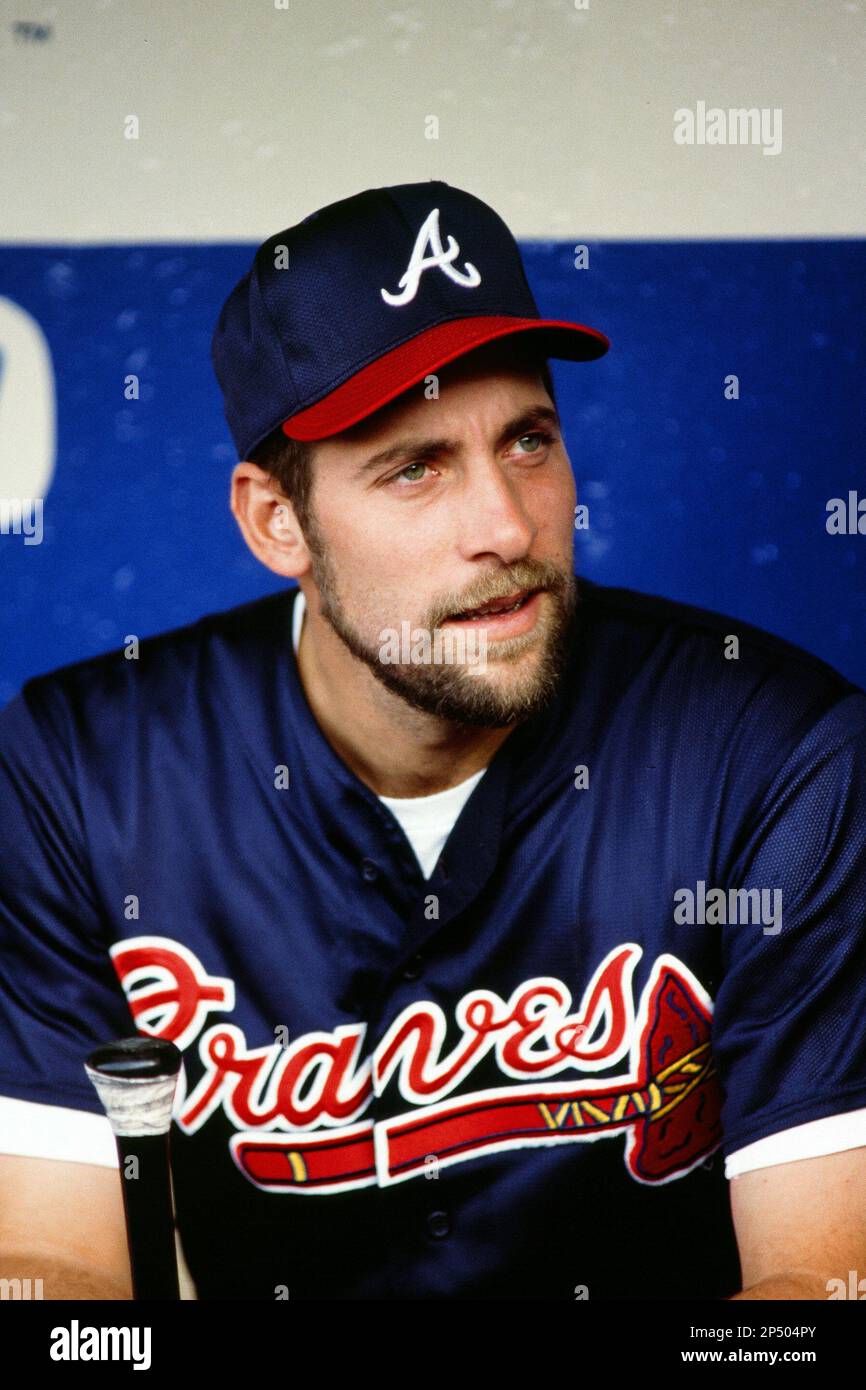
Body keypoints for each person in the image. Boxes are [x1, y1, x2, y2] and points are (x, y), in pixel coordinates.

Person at [1, 181, 865, 1301]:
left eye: (526, 439)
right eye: (414, 466)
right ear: (276, 520)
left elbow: (822, 1283)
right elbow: (51, 1270)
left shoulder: (773, 750)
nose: (505, 526)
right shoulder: (78, 771)